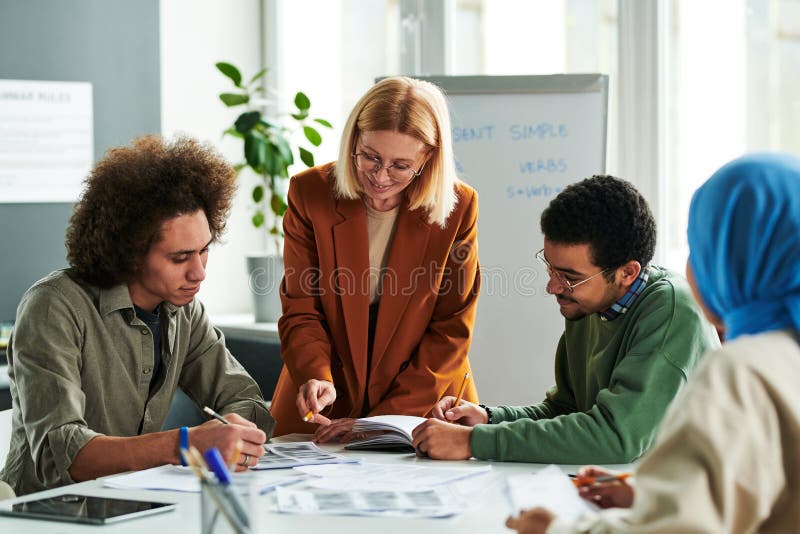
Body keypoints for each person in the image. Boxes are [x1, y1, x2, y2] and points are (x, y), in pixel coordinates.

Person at [506, 154, 800, 533]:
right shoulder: (783, 357)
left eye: (700, 249)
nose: (692, 268)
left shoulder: (743, 370)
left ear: (729, 261)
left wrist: (556, 529)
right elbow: (759, 490)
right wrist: (645, 492)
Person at [0, 136, 274, 496]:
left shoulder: (184, 311)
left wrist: (238, 426)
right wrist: (187, 444)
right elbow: (64, 457)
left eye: (204, 251)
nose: (199, 272)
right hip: (46, 514)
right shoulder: (54, 307)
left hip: (134, 504)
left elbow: (246, 400)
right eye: (180, 258)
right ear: (128, 251)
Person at [412, 175, 719, 462]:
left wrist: (473, 442)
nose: (553, 287)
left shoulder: (672, 311)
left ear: (628, 272)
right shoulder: (589, 303)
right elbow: (567, 410)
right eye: (551, 269)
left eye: (570, 277)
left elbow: (615, 437)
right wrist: (489, 417)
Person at [270, 76, 480, 439]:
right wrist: (316, 375)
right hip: (324, 402)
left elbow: (451, 327)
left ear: (428, 157)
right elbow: (301, 308)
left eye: (400, 165)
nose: (381, 177)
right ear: (354, 140)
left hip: (423, 401)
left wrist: (384, 421)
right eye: (370, 157)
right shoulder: (310, 193)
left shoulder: (459, 207)